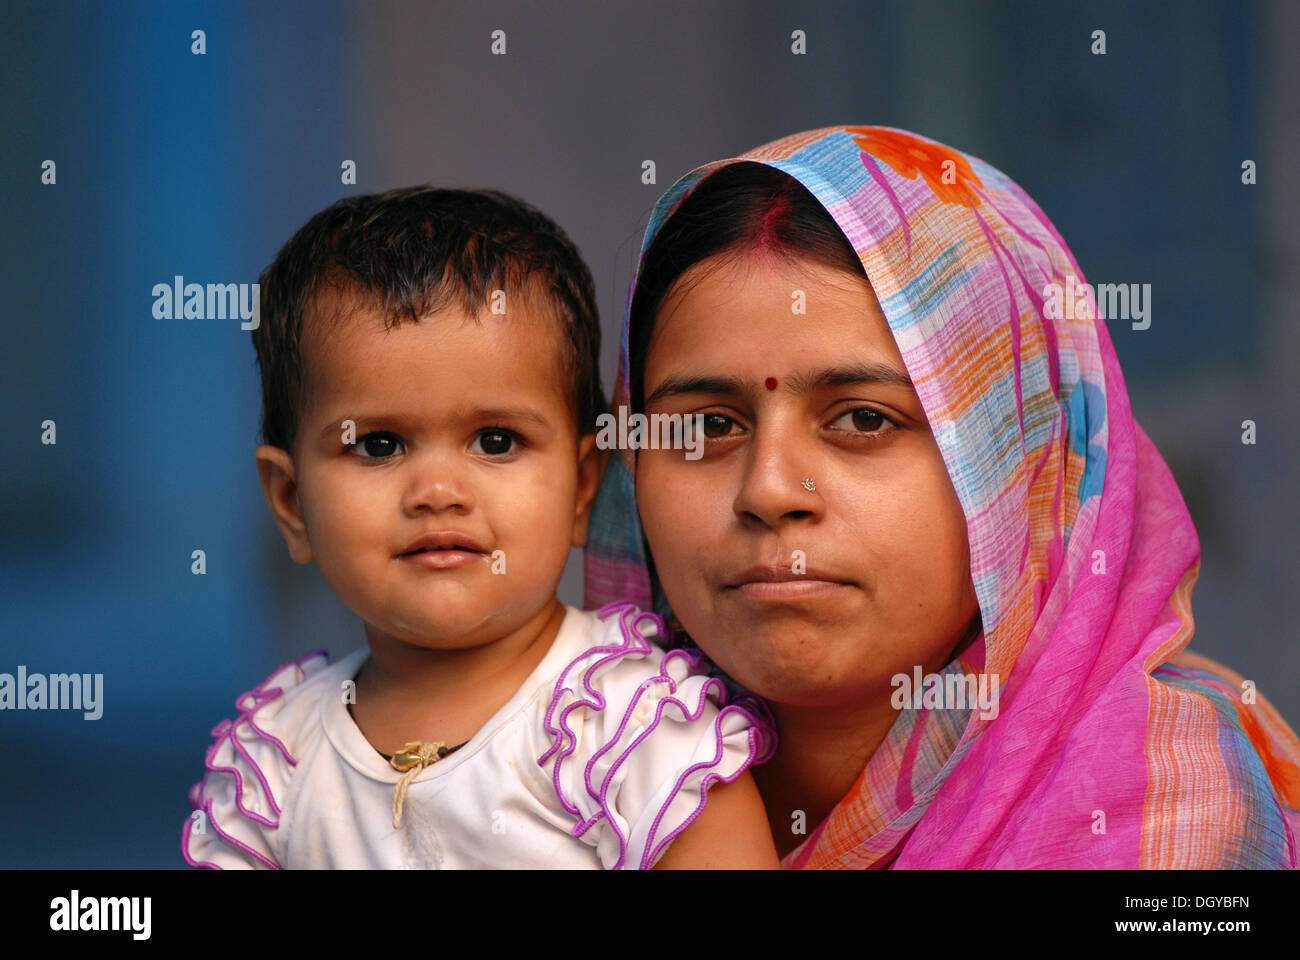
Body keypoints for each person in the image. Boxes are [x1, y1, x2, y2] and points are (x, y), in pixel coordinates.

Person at [584, 125, 1300, 868]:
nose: (768, 489)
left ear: (1019, 462)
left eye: (864, 419)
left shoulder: (1170, 807)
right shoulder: (569, 773)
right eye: (707, 426)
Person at [181, 186, 777, 869]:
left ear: (583, 487)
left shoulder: (634, 731)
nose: (438, 492)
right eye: (378, 445)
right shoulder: (274, 769)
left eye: (496, 441)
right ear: (292, 503)